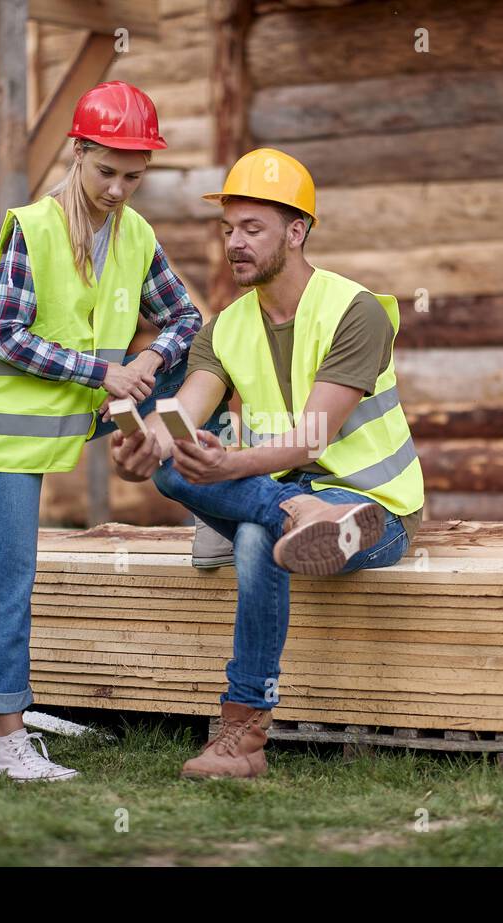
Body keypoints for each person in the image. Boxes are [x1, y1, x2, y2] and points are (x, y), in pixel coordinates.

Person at [110, 148, 425, 779]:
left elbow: (312, 438)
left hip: (370, 508)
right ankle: (291, 514)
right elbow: (187, 413)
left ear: (296, 231)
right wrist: (147, 443)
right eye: (228, 229)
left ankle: (243, 737)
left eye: (252, 229)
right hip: (290, 497)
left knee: (255, 537)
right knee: (177, 468)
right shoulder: (224, 327)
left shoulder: (354, 311)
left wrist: (231, 466)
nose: (234, 243)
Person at [0, 81, 210, 781]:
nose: (120, 189)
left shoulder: (136, 235)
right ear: (77, 153)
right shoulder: (32, 228)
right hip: (6, 429)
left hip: (83, 411)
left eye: (134, 175)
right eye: (107, 172)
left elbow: (187, 319)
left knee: (207, 380)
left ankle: (214, 504)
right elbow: (4, 334)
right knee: (9, 577)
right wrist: (103, 374)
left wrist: (150, 359)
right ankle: (10, 741)